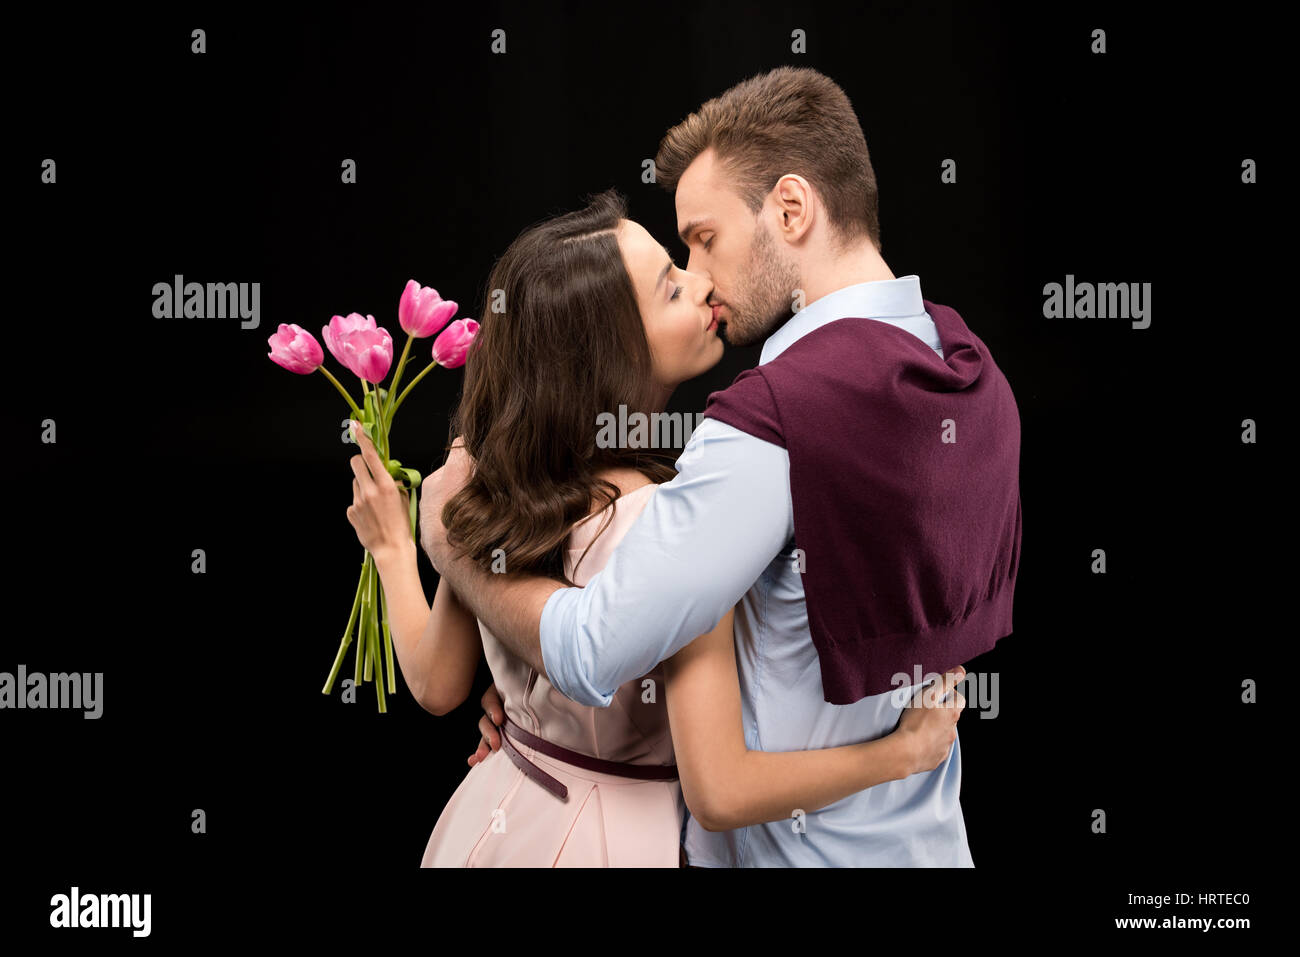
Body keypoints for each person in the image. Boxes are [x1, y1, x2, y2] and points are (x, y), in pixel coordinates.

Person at [419, 66, 1022, 867]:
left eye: (704, 237)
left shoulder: (767, 428)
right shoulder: (967, 371)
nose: (701, 274)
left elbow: (594, 646)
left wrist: (455, 550)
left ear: (792, 209)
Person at [346, 187, 967, 867]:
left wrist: (395, 549)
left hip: (499, 819)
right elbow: (722, 788)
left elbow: (438, 684)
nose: (704, 283)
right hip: (617, 843)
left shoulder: (488, 480)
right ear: (604, 357)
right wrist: (901, 753)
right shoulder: (674, 524)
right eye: (671, 289)